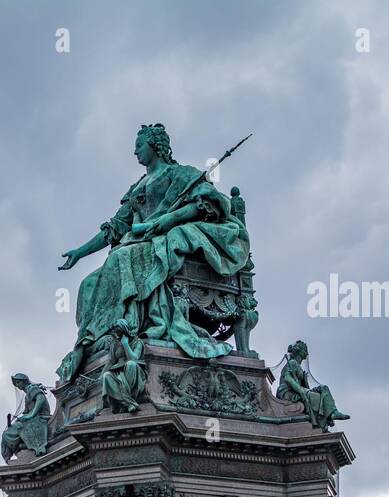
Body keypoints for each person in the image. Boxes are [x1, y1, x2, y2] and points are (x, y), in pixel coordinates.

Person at [56, 122, 249, 381]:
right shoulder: (137, 187)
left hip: (159, 241)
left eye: (139, 146)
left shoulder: (183, 175)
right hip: (138, 242)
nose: (135, 152)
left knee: (120, 258)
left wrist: (168, 220)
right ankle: (100, 344)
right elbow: (116, 227)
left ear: (155, 146)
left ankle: (129, 331)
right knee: (88, 283)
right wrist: (80, 252)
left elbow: (207, 205)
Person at [276, 340, 349, 430]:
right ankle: (327, 416)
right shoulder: (292, 363)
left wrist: (304, 387)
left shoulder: (298, 366)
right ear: (301, 351)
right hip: (287, 392)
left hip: (297, 390)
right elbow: (288, 379)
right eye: (305, 350)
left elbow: (302, 385)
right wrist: (301, 391)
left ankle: (333, 412)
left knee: (323, 388)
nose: (306, 353)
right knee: (316, 397)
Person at [99, 318, 148, 413]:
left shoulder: (137, 342)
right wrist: (100, 376)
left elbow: (134, 358)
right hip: (117, 372)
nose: (116, 333)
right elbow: (111, 362)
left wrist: (125, 344)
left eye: (118, 330)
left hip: (134, 371)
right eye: (115, 331)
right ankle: (128, 403)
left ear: (124, 329)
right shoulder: (114, 344)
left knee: (131, 364)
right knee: (106, 376)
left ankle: (126, 401)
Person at [0, 373, 51, 462]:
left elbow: (41, 399)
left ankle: (13, 454)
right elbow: (26, 413)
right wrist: (20, 418)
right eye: (16, 383)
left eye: (18, 382)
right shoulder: (27, 396)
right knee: (7, 433)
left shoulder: (32, 388)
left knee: (7, 434)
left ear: (24, 381)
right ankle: (14, 452)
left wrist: (31, 415)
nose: (17, 385)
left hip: (40, 418)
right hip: (33, 419)